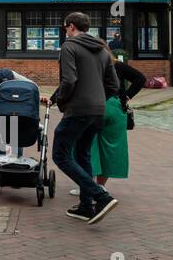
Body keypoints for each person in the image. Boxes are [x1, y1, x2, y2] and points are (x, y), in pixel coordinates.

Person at [46, 12, 120, 224]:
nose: (65, 31)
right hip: (98, 111)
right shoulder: (103, 51)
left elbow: (69, 80)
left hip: (77, 110)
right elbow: (113, 86)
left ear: (70, 27)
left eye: (64, 28)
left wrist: (61, 100)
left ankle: (101, 196)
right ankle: (87, 207)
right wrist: (96, 100)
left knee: (60, 155)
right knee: (82, 154)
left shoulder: (69, 46)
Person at [75, 54, 147, 196]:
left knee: (87, 146)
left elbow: (71, 83)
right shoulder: (117, 65)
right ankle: (101, 186)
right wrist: (125, 96)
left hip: (93, 107)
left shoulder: (88, 65)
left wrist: (55, 100)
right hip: (115, 108)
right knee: (110, 147)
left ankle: (86, 184)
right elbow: (141, 78)